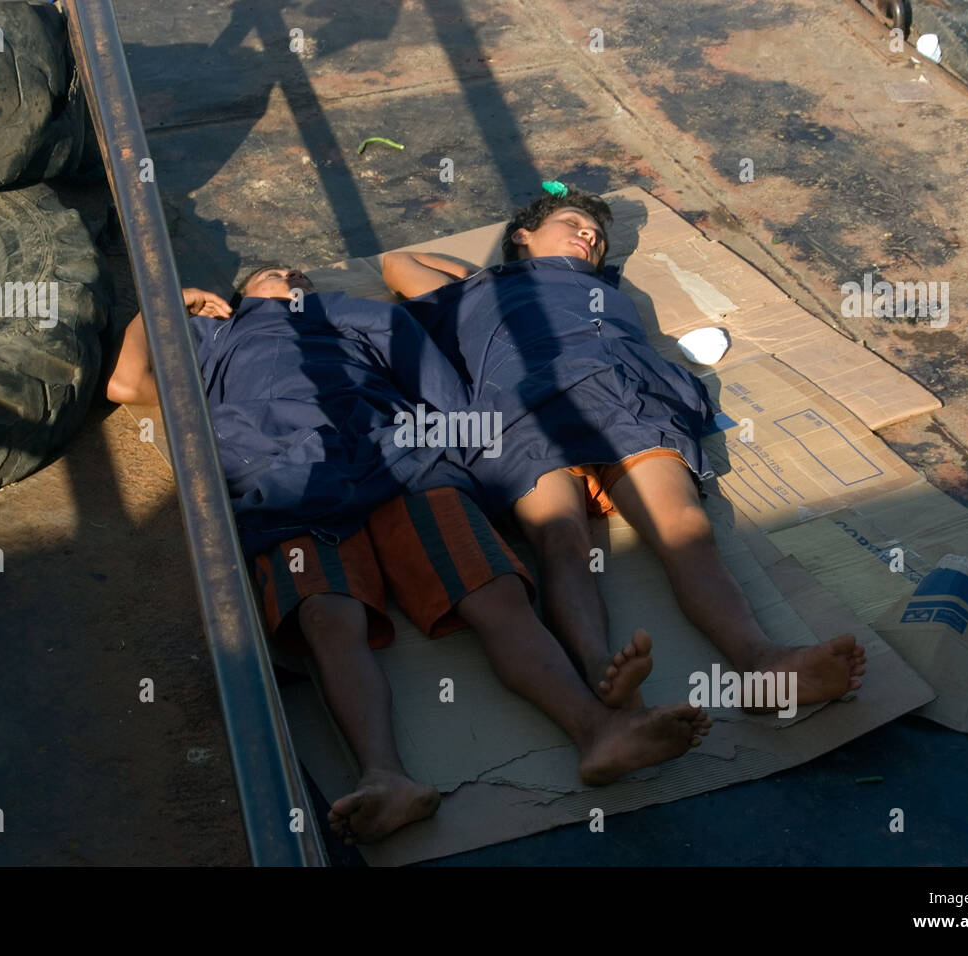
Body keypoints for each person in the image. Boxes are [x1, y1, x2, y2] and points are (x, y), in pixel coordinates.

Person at [104, 265, 711, 845]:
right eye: (274, 275)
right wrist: (168, 302)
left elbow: (443, 399)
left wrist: (493, 475)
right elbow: (126, 385)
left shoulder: (354, 314)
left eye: (301, 277)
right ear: (237, 296)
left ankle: (598, 728)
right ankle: (385, 777)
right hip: (286, 479)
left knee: (492, 589)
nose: (292, 278)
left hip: (402, 457)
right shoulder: (215, 338)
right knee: (326, 619)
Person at [382, 186, 866, 712]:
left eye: (598, 235)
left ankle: (761, 663)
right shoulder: (477, 289)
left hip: (625, 388)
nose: (590, 235)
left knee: (686, 528)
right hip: (522, 403)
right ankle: (599, 669)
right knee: (561, 539)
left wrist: (535, 252)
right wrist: (484, 274)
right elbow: (397, 263)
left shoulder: (602, 286)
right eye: (573, 222)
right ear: (523, 234)